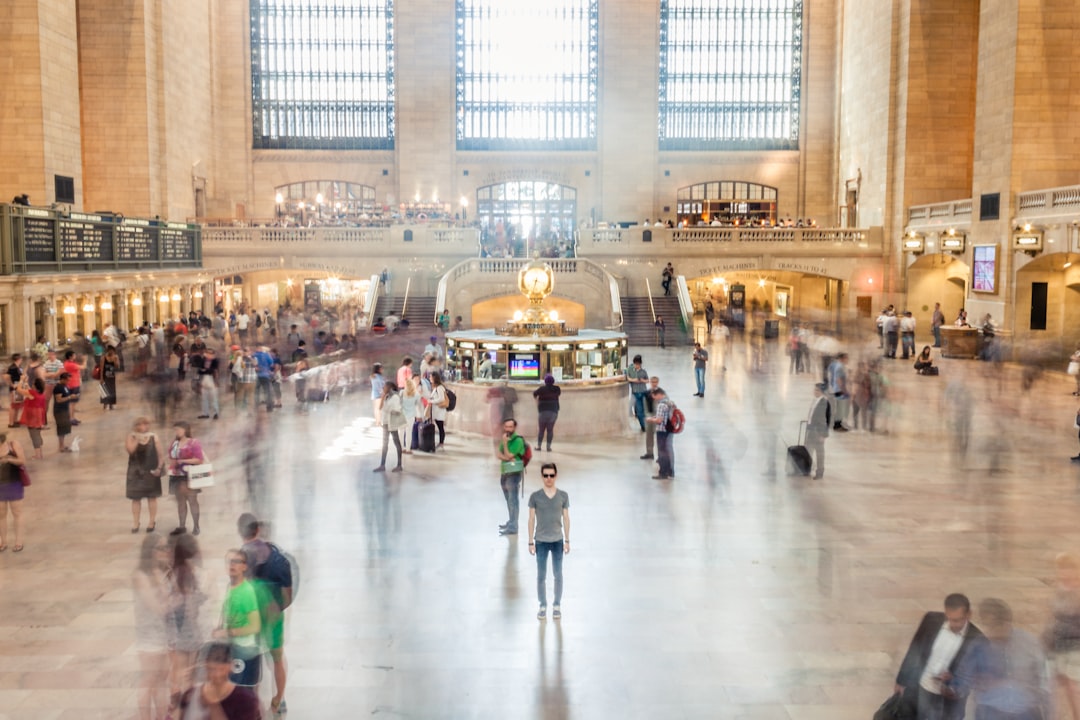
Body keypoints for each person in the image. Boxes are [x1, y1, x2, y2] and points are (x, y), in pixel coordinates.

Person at [894, 593, 984, 720]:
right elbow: (915, 649)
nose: (952, 624)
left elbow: (978, 676)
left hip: (950, 701)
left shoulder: (977, 639)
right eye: (949, 618)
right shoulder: (931, 620)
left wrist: (953, 679)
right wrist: (901, 680)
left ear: (969, 614)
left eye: (957, 620)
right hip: (923, 688)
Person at [237, 514, 293, 716]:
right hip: (273, 617)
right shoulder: (278, 557)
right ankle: (280, 698)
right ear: (257, 530)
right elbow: (287, 595)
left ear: (240, 532)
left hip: (251, 618)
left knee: (252, 661)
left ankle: (253, 703)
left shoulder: (241, 559)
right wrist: (276, 610)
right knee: (277, 658)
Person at [966, 598, 1049, 720]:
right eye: (988, 625)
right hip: (991, 710)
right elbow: (968, 683)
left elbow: (1044, 679)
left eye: (996, 625)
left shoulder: (1029, 643)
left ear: (1007, 622)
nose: (992, 631)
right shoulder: (979, 646)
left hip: (1025, 710)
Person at [133, 534, 171, 720]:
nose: (166, 552)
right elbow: (157, 607)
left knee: (162, 680)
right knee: (149, 680)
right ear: (151, 551)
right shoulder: (141, 576)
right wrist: (177, 600)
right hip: (149, 637)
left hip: (165, 634)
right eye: (161, 548)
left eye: (166, 548)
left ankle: (162, 717)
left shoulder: (163, 572)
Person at [214, 549, 264, 690]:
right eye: (229, 561)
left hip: (245, 651)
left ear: (244, 566)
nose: (232, 565)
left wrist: (227, 632)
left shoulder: (246, 591)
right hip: (232, 649)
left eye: (236, 561)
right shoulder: (230, 587)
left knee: (243, 695)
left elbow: (255, 626)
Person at [527, 462, 570, 621]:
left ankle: (557, 605)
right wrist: (530, 541)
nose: (549, 478)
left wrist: (567, 540)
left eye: (551, 475)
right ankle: (543, 605)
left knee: (558, 574)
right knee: (541, 575)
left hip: (558, 540)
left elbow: (566, 518)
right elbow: (531, 519)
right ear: (542, 477)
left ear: (556, 476)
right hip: (541, 541)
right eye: (546, 475)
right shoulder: (535, 497)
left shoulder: (563, 496)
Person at [179, 642, 262, 720]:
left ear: (230, 666)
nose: (216, 675)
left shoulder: (245, 699)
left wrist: (213, 706)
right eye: (212, 669)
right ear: (206, 664)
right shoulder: (191, 694)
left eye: (221, 669)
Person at [1044, 552, 1080, 718]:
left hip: (1075, 646)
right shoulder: (1057, 588)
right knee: (1052, 687)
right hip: (1055, 644)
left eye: (1068, 569)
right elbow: (1051, 616)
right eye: (1061, 569)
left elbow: (1069, 612)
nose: (1064, 573)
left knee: (1074, 688)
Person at [168, 421, 206, 536]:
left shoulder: (193, 443)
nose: (177, 432)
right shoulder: (175, 443)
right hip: (177, 475)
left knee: (192, 500)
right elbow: (172, 458)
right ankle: (182, 525)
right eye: (175, 430)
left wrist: (184, 461)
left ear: (185, 430)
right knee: (180, 501)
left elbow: (199, 459)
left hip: (189, 475)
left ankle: (196, 525)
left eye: (179, 429)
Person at [127, 417, 164, 533]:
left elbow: (160, 455)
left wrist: (159, 468)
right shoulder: (131, 436)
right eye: (140, 425)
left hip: (150, 471)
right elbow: (130, 451)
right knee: (135, 498)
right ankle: (135, 522)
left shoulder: (154, 437)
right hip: (135, 471)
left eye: (145, 424)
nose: (143, 427)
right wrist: (137, 440)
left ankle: (151, 521)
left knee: (152, 497)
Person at [495, 418, 526, 536]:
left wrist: (505, 445)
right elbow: (499, 455)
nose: (508, 429)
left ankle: (514, 526)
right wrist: (506, 457)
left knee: (513, 500)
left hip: (514, 474)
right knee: (508, 500)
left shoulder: (518, 441)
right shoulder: (505, 439)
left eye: (510, 427)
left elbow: (508, 455)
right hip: (504, 472)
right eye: (506, 426)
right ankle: (511, 521)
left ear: (514, 428)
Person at [0, 431, 27, 552]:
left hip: (14, 482)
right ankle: (3, 541)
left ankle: (18, 541)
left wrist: (9, 459)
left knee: (17, 512)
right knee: (1, 514)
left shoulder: (13, 445)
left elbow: (22, 460)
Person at [375, 381, 405, 472]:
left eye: (384, 386)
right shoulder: (387, 397)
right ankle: (382, 465)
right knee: (385, 444)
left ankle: (399, 465)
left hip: (392, 422)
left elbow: (397, 410)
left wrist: (388, 409)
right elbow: (380, 408)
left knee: (396, 442)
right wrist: (383, 397)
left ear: (389, 387)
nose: (383, 388)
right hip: (385, 422)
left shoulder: (395, 397)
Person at [646, 386, 675, 479]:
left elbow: (659, 420)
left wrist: (651, 419)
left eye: (654, 396)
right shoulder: (670, 402)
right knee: (667, 451)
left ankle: (663, 473)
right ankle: (670, 471)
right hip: (669, 430)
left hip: (662, 431)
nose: (654, 399)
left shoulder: (661, 405)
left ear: (659, 395)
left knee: (662, 452)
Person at [16, 377, 47, 459]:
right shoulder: (40, 394)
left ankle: (38, 455)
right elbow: (28, 390)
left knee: (34, 434)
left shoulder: (32, 393)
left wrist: (21, 380)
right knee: (37, 433)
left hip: (32, 415)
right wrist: (25, 383)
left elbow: (18, 389)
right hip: (39, 414)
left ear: (35, 386)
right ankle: (40, 453)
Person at [806, 383, 831, 479]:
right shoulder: (815, 401)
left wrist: (823, 435)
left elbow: (825, 420)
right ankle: (809, 468)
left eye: (817, 390)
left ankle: (820, 472)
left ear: (822, 392)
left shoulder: (824, 403)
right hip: (812, 430)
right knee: (808, 450)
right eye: (815, 390)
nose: (815, 391)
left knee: (819, 453)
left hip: (818, 432)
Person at [533, 374, 561, 451]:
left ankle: (539, 446)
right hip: (553, 411)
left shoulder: (541, 389)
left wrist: (537, 402)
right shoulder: (557, 389)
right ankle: (548, 447)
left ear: (545, 381)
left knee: (541, 430)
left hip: (543, 411)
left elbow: (534, 394)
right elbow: (558, 394)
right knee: (550, 430)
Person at [52, 371, 78, 453]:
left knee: (65, 427)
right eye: (67, 380)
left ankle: (62, 445)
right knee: (61, 428)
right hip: (59, 410)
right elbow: (59, 400)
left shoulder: (65, 386)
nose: (68, 382)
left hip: (65, 409)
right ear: (62, 379)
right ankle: (61, 446)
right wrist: (70, 397)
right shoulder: (58, 387)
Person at [827, 353, 850, 431]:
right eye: (846, 358)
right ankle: (837, 426)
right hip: (840, 390)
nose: (847, 360)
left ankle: (839, 424)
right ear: (842, 358)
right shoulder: (840, 367)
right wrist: (844, 390)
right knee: (840, 408)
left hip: (837, 389)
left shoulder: (836, 365)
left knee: (840, 408)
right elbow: (839, 380)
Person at [627, 355, 649, 433]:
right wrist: (634, 380)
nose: (636, 366)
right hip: (635, 393)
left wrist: (642, 380)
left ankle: (644, 426)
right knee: (638, 410)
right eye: (635, 364)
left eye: (637, 364)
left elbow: (647, 380)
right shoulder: (631, 370)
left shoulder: (643, 372)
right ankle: (643, 425)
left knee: (643, 410)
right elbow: (628, 377)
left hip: (642, 392)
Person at [62, 350, 85, 424]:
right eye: (74, 355)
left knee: (73, 403)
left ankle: (72, 417)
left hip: (73, 383)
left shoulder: (68, 363)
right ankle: (70, 418)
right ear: (70, 356)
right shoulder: (69, 364)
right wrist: (85, 360)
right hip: (73, 384)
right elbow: (83, 367)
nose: (75, 356)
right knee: (72, 403)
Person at [197, 348, 220, 419]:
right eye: (208, 353)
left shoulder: (215, 361)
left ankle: (216, 413)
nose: (209, 355)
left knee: (214, 398)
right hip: (204, 379)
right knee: (204, 398)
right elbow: (199, 371)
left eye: (211, 353)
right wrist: (205, 371)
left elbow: (214, 370)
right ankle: (205, 413)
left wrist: (216, 381)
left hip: (212, 379)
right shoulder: (203, 360)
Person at [428, 371, 449, 449]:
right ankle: (440, 442)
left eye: (430, 377)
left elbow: (441, 398)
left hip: (440, 410)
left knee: (440, 426)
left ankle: (441, 443)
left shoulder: (440, 388)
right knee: (439, 426)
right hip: (436, 410)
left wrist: (432, 401)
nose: (429, 378)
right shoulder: (436, 387)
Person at [101, 346, 119, 410]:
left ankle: (111, 404)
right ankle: (105, 403)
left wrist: (114, 360)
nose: (111, 352)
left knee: (112, 390)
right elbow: (102, 368)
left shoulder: (115, 357)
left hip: (112, 376)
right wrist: (101, 378)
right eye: (110, 351)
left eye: (112, 351)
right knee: (104, 389)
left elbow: (117, 366)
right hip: (105, 376)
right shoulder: (104, 357)